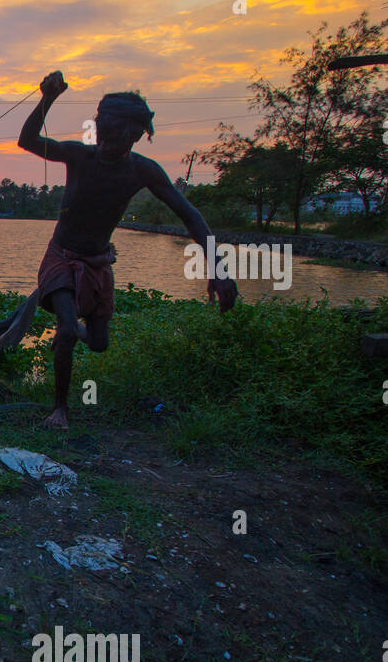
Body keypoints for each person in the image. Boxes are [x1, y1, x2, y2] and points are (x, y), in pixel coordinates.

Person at [17, 70, 238, 429]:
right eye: (100, 133)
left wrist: (218, 266)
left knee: (100, 343)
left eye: (114, 136)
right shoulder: (79, 156)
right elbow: (27, 140)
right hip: (61, 255)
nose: (104, 143)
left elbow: (189, 214)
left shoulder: (143, 171)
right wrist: (48, 98)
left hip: (98, 262)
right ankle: (60, 409)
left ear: (135, 135)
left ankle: (71, 328)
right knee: (69, 331)